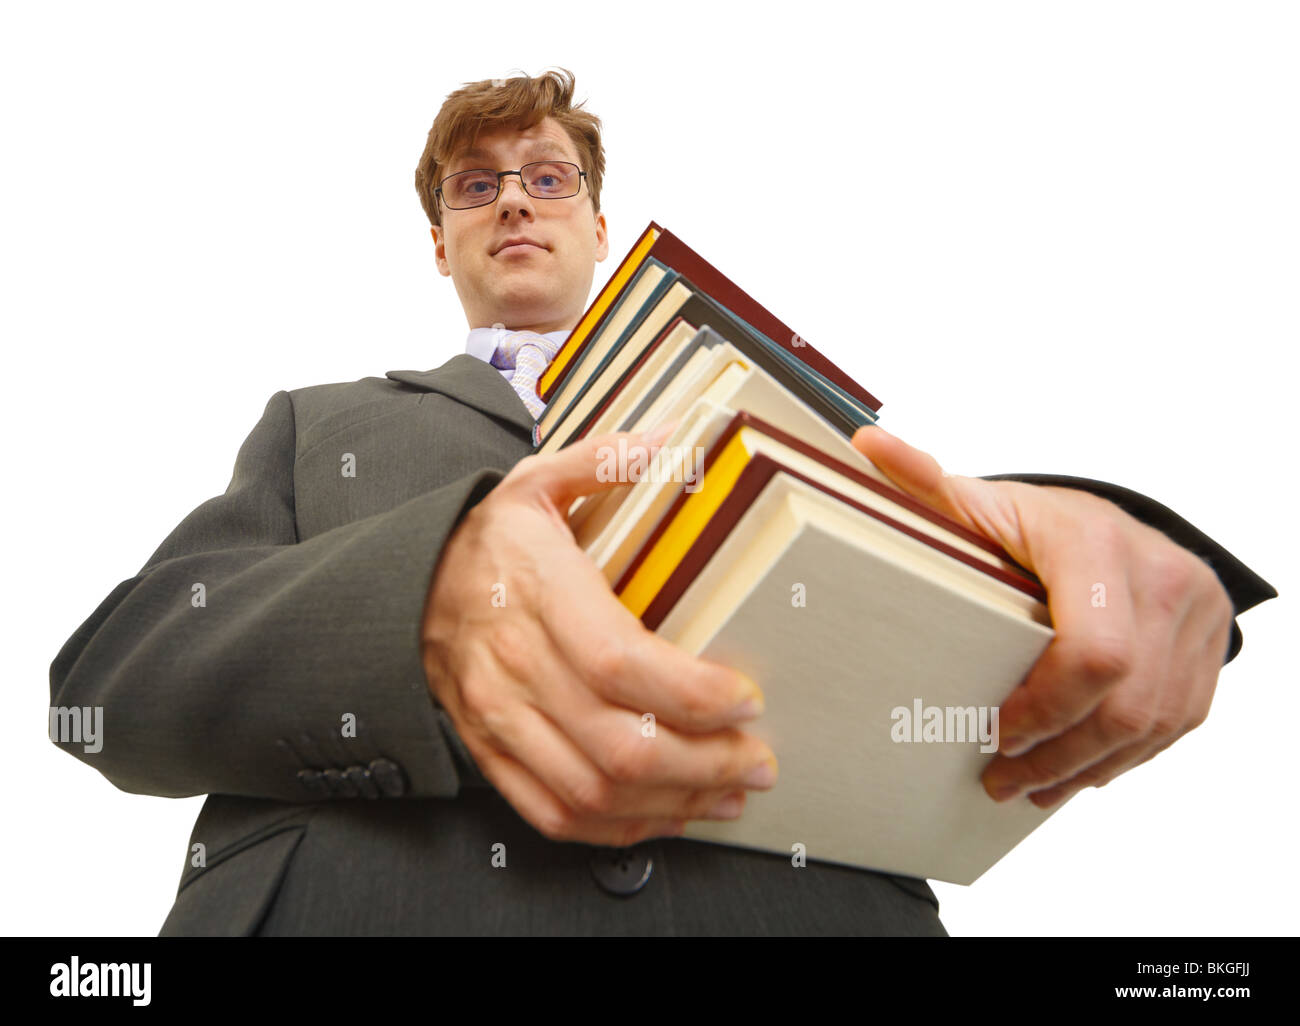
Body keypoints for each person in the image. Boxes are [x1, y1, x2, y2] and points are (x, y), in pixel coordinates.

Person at [49, 68, 1276, 936]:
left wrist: (1090, 549)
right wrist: (417, 609)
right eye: (476, 188)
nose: (515, 201)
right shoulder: (320, 423)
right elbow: (111, 680)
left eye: (545, 176)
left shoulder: (759, 390)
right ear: (437, 243)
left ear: (594, 218)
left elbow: (924, 565)